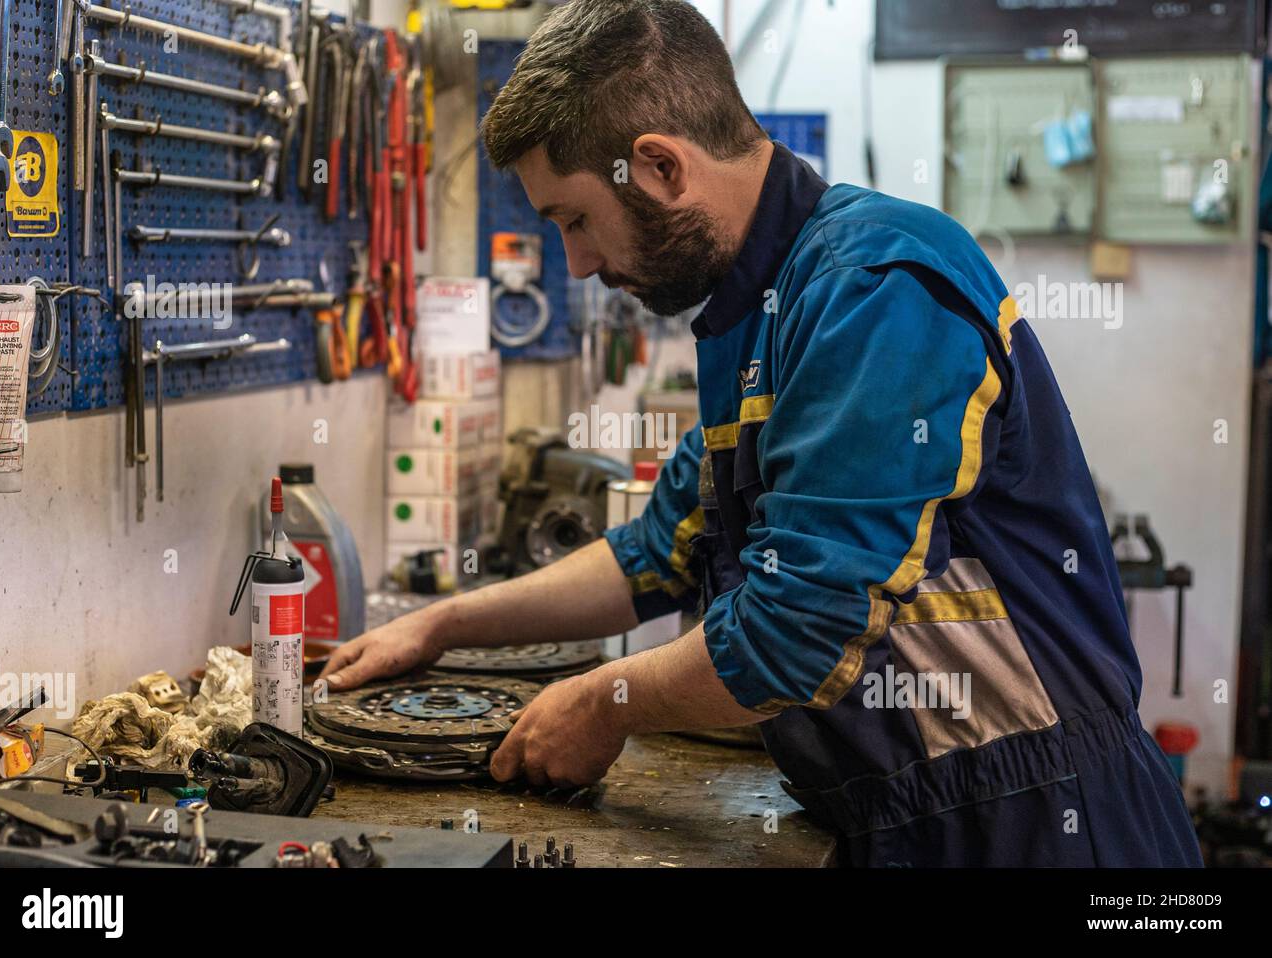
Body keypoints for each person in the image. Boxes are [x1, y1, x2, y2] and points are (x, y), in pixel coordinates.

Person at [321, 0, 1202, 867]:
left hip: (1041, 821)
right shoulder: (761, 315)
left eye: (575, 220)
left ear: (660, 167)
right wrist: (442, 627)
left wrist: (603, 701)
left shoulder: (871, 290)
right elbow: (654, 552)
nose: (578, 263)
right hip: (904, 814)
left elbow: (798, 630)